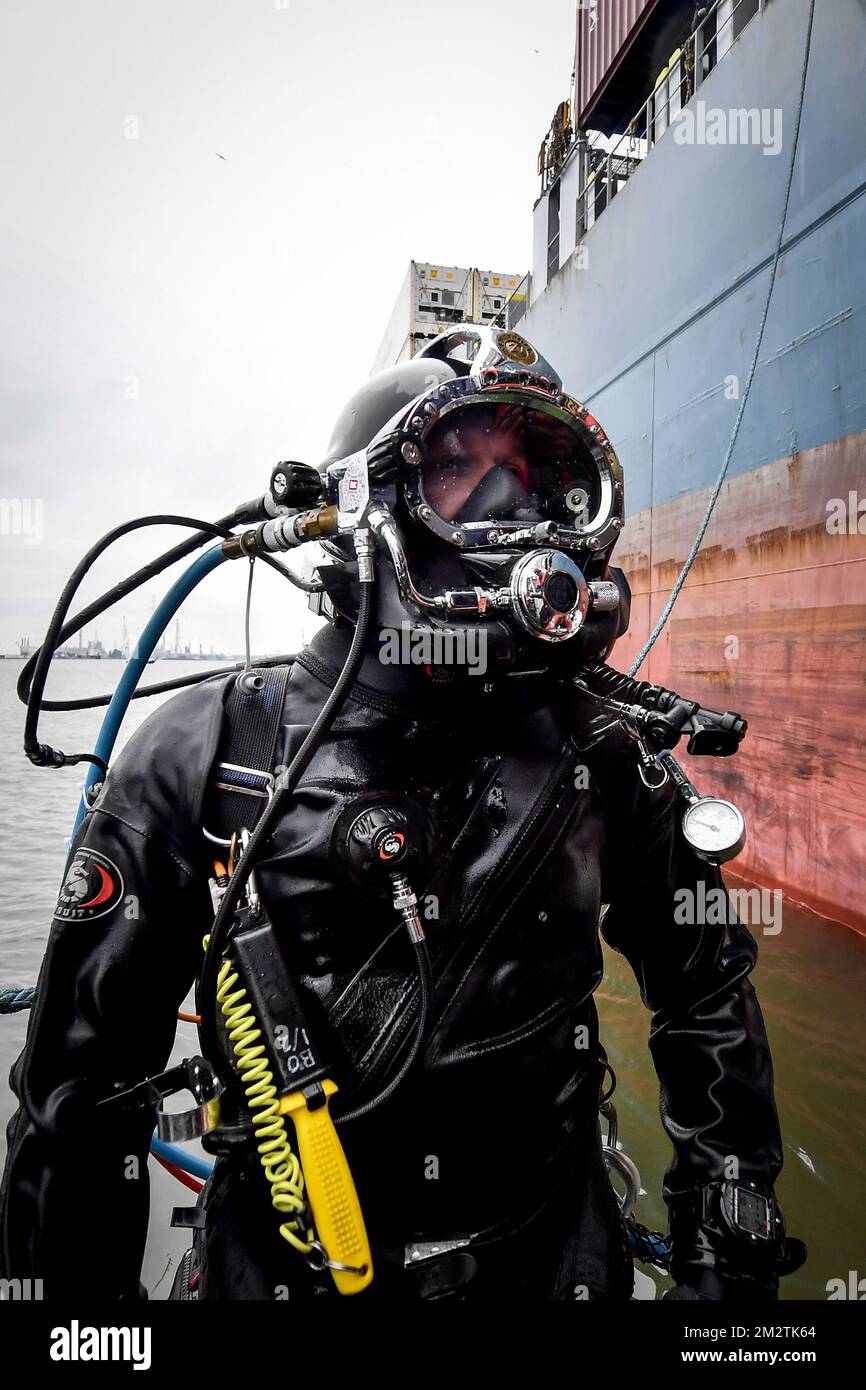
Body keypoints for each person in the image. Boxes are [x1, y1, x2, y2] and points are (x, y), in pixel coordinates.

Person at [0, 325, 801, 1302]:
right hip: (280, 1270)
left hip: (557, 1265)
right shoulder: (208, 750)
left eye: (535, 474)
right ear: (354, 504)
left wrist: (723, 1258)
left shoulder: (599, 750)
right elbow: (76, 1107)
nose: (513, 504)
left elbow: (703, 988)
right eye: (461, 464)